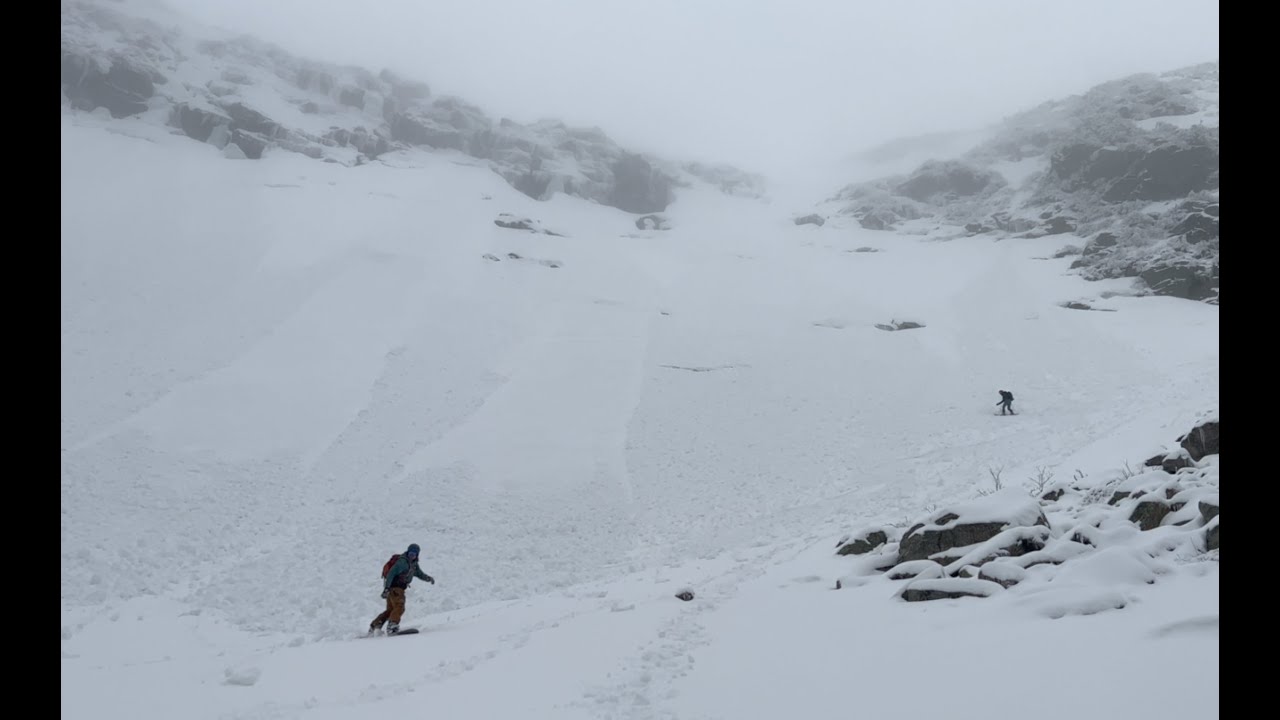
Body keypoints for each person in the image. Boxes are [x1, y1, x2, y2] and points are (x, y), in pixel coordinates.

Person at [369, 543, 435, 636]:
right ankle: (392, 626)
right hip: (396, 588)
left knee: (390, 610)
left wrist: (428, 578)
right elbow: (391, 574)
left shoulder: (413, 564)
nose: (412, 555)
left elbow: (419, 574)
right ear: (408, 552)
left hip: (395, 589)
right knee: (400, 606)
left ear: (417, 555)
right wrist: (386, 588)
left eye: (414, 554)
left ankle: (375, 626)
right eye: (410, 553)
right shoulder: (402, 562)